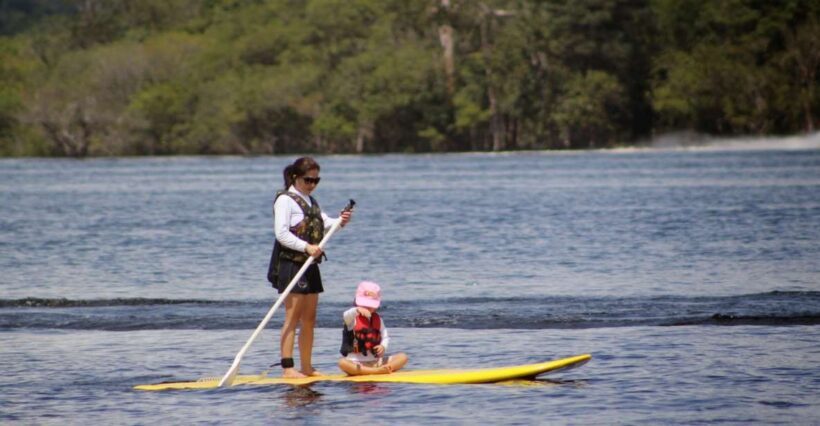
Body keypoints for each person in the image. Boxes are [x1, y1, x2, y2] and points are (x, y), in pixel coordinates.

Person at [269, 157, 352, 378]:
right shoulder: (285, 200)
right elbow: (281, 234)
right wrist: (306, 247)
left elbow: (326, 224)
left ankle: (307, 367)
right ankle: (288, 368)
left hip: (311, 265)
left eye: (316, 180)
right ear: (295, 177)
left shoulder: (311, 201)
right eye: (308, 180)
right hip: (292, 264)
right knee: (292, 317)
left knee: (309, 318)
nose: (312, 184)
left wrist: (341, 221)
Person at [338, 281, 408, 375]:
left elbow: (385, 337)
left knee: (403, 357)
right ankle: (377, 371)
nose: (367, 307)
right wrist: (357, 310)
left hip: (376, 362)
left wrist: (383, 346)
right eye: (364, 304)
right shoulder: (352, 318)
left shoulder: (378, 319)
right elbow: (346, 315)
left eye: (370, 305)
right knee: (342, 363)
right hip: (356, 363)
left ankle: (385, 368)